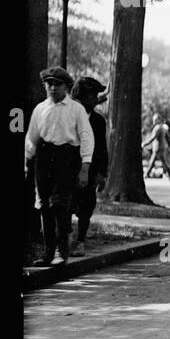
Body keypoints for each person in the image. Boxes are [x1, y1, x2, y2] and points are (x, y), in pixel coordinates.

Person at [26, 67, 93, 266]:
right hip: (44, 158)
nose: (53, 88)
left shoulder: (76, 109)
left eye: (58, 84)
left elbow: (86, 137)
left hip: (66, 158)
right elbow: (31, 137)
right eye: (49, 84)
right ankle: (48, 252)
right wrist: (27, 159)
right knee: (44, 204)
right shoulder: (40, 109)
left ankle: (60, 251)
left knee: (59, 204)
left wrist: (85, 166)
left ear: (67, 87)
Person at [68, 77, 108, 257]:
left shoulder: (98, 121)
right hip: (69, 170)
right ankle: (66, 237)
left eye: (96, 95)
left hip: (90, 171)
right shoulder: (69, 116)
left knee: (87, 206)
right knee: (66, 204)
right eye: (90, 95)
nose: (94, 98)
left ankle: (80, 241)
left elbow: (102, 148)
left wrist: (102, 173)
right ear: (81, 96)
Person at [142, 113, 170, 180]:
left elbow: (152, 137)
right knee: (163, 162)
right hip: (160, 147)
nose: (154, 121)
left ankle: (146, 174)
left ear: (159, 120)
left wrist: (144, 143)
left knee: (154, 161)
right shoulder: (161, 127)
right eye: (153, 119)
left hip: (158, 148)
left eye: (155, 119)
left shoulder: (158, 128)